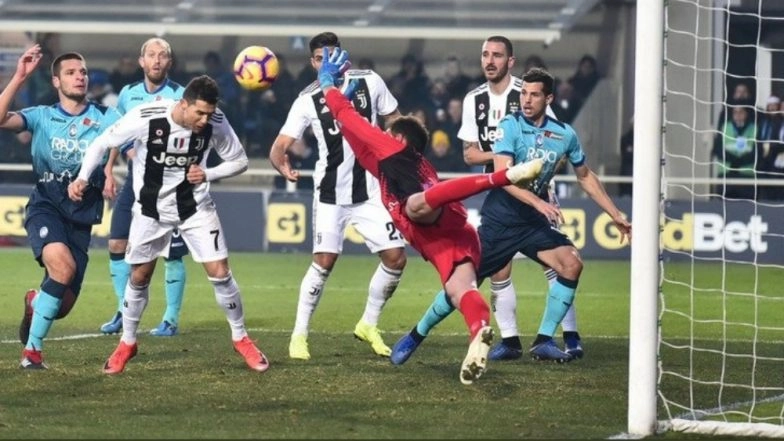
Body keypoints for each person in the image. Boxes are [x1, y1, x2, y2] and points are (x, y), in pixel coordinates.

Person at [317, 46, 543, 383]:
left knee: (416, 205)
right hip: (454, 233)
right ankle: (479, 330)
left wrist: (329, 89)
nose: (383, 133)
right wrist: (341, 108)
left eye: (389, 131)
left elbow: (357, 128)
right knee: (460, 291)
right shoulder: (398, 163)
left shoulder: (393, 148)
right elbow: (357, 138)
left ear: (397, 138)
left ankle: (501, 176)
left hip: (427, 218)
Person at [391, 67, 631, 365]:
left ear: (549, 98)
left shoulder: (565, 134)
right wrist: (539, 203)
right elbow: (503, 175)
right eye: (524, 94)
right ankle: (416, 334)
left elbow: (585, 176)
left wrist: (615, 213)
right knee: (461, 287)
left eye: (534, 95)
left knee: (571, 263)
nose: (527, 100)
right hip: (501, 220)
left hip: (532, 224)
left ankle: (544, 340)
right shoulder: (509, 126)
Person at [68, 75, 269, 375]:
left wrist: (208, 174)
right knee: (139, 277)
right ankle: (128, 342)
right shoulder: (147, 117)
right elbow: (101, 143)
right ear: (183, 104)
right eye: (198, 113)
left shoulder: (216, 121)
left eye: (208, 114)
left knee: (221, 272)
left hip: (195, 208)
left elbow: (239, 161)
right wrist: (83, 177)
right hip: (150, 211)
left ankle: (241, 338)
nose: (204, 120)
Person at [268, 32, 407, 361]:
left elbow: (395, 118)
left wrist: (399, 144)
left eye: (331, 56)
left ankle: (368, 324)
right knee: (324, 262)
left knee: (396, 258)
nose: (325, 63)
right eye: (319, 58)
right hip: (330, 194)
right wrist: (282, 165)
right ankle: (299, 334)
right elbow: (279, 147)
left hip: (371, 190)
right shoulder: (307, 99)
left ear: (342, 56)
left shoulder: (369, 81)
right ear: (312, 62)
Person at [456, 35, 583, 361]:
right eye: (485, 54)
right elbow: (469, 155)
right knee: (499, 268)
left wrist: (531, 167)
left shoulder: (526, 91)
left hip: (538, 191)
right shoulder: (474, 100)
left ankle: (569, 335)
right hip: (501, 190)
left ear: (510, 61)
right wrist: (505, 154)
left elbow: (555, 138)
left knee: (556, 265)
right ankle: (510, 342)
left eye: (497, 55)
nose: (489, 61)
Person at [0, 45, 122, 369]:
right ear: (56, 81)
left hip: (81, 218)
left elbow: (119, 137)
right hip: (47, 205)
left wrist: (109, 169)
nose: (80, 77)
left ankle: (35, 302)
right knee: (63, 268)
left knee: (62, 305)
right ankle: (32, 353)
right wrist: (19, 77)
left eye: (82, 71)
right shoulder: (42, 115)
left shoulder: (104, 116)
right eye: (70, 72)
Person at [100, 37, 189, 337]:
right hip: (134, 184)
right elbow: (117, 131)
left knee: (171, 254)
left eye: (163, 55)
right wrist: (110, 169)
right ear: (142, 61)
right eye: (151, 55)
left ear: (169, 62)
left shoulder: (180, 96)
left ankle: (170, 319)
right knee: (116, 244)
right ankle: (123, 310)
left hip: (169, 187)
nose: (157, 60)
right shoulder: (128, 94)